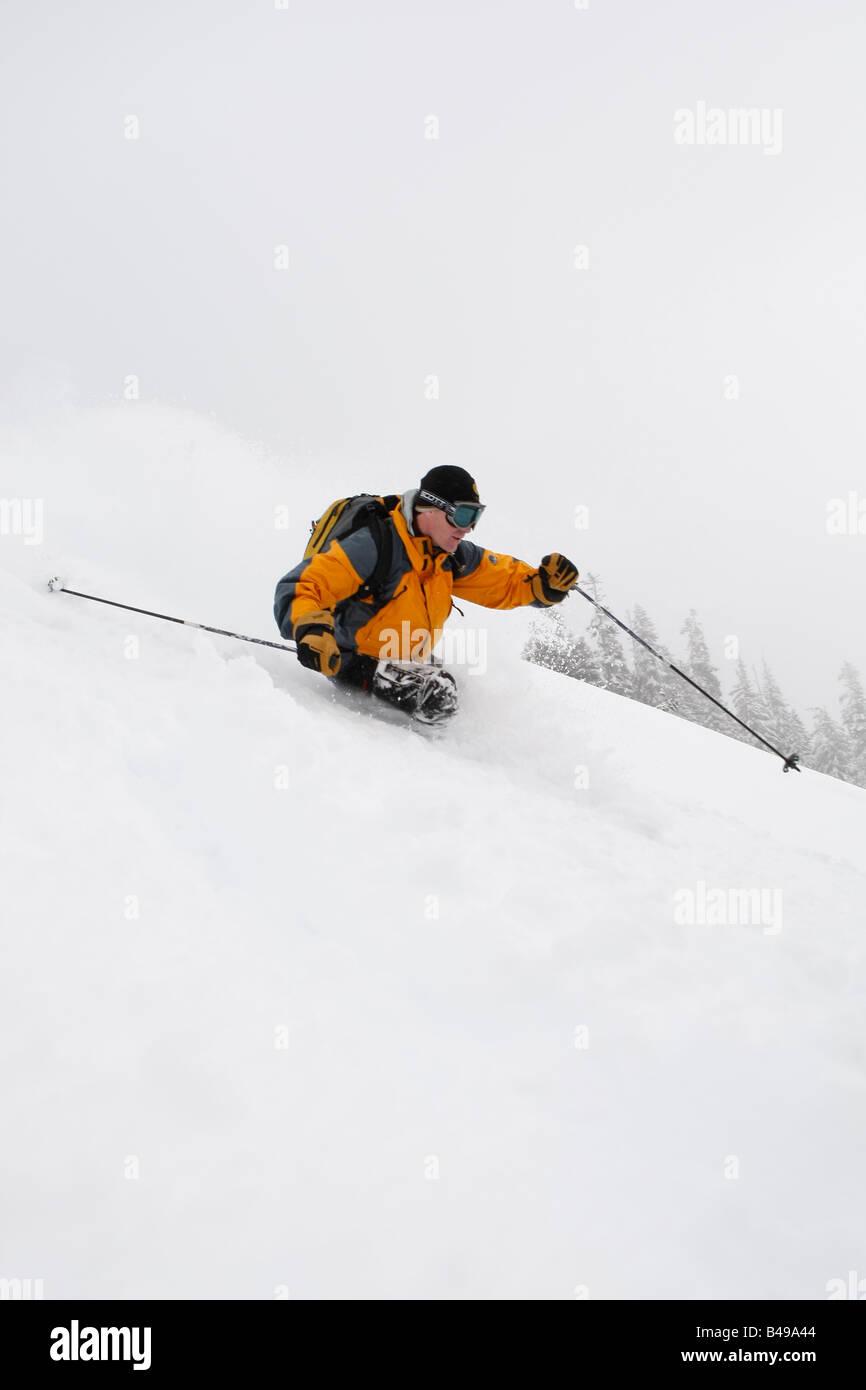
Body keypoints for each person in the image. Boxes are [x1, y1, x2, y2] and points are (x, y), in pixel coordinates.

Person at [273, 465, 579, 723]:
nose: (469, 528)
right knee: (439, 696)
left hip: (405, 657)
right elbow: (304, 584)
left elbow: (500, 579)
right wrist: (313, 631)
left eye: (476, 517)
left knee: (466, 697)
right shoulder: (377, 545)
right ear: (430, 508)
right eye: (462, 516)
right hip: (353, 659)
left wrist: (541, 586)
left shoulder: (448, 554)